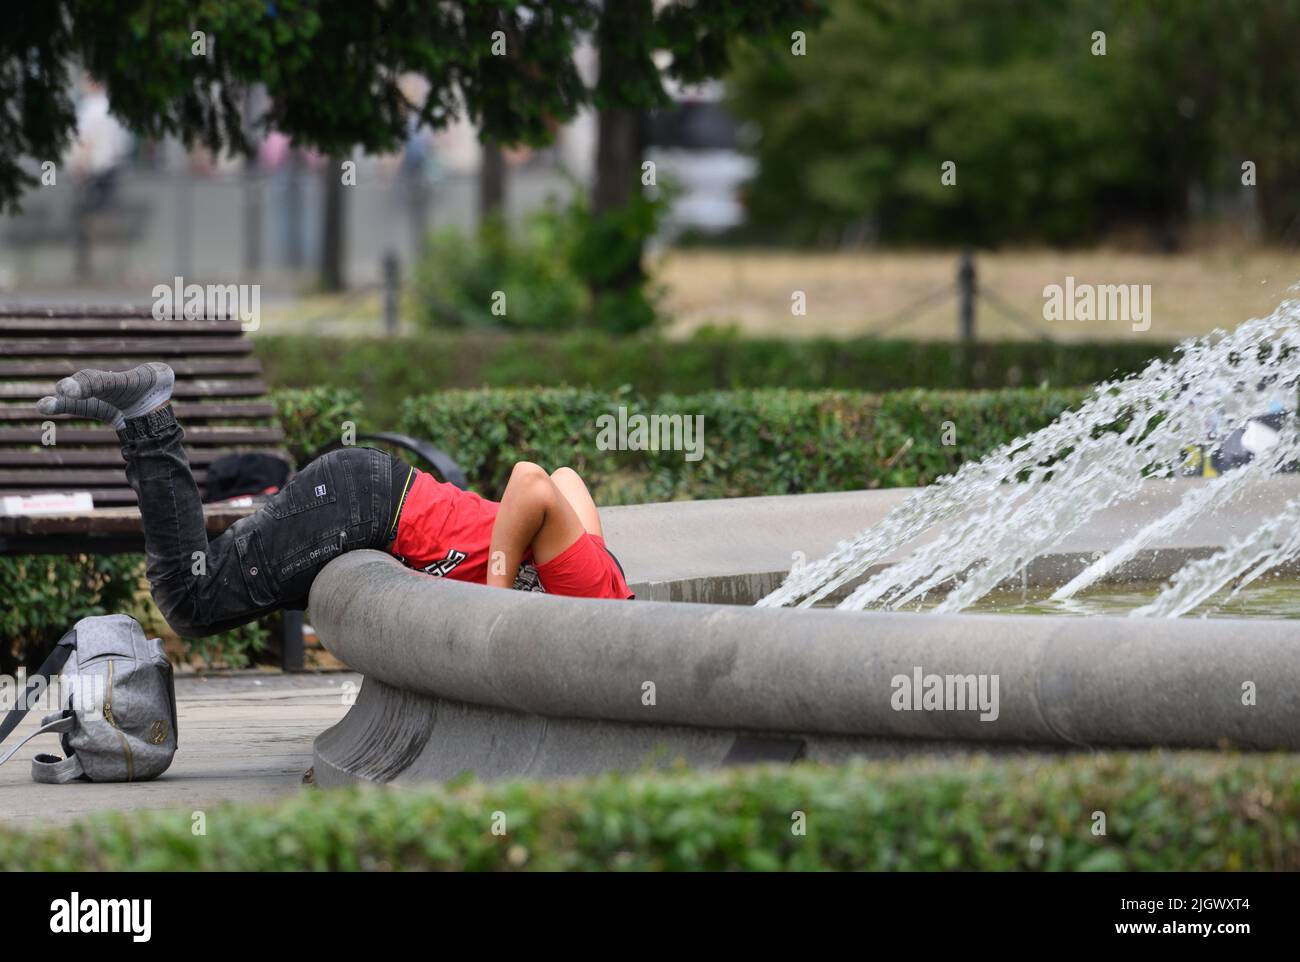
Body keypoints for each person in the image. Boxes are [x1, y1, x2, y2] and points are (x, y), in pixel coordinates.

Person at [36, 364, 633, 640]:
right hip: (359, 511)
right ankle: (147, 419)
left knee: (203, 593)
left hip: (365, 499)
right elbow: (534, 479)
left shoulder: (602, 582)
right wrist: (496, 605)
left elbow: (568, 479)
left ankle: (138, 421)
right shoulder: (597, 602)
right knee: (191, 602)